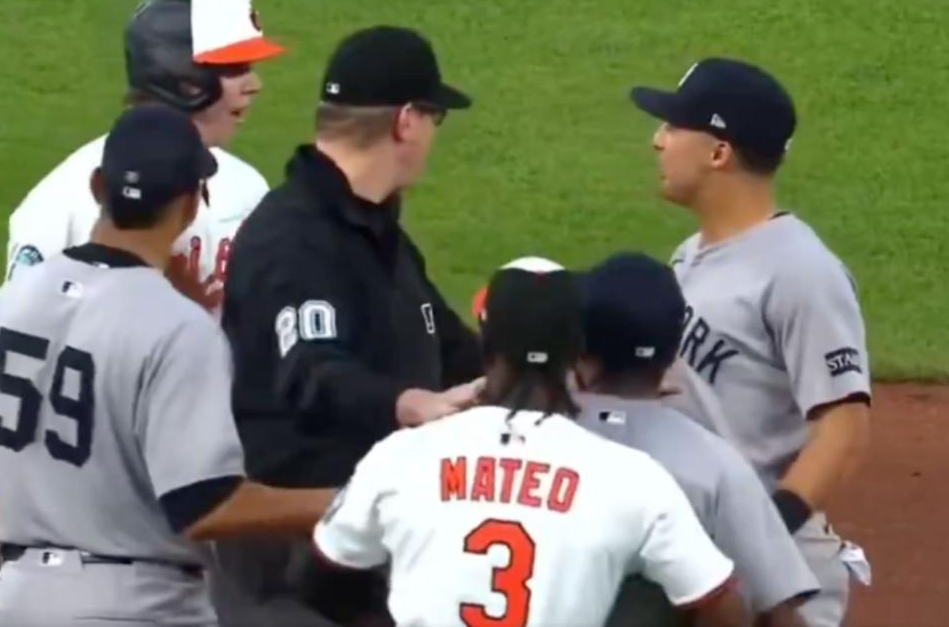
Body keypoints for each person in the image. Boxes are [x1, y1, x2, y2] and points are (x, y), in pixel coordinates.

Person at [0, 105, 334, 627]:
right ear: (192, 204)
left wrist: (66, 491)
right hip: (138, 607)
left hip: (17, 603)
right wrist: (336, 500)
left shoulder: (8, 305)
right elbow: (206, 506)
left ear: (98, 187)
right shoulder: (178, 327)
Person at [311, 256, 750, 627]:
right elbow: (724, 605)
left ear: (487, 342)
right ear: (577, 350)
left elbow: (325, 577)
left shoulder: (403, 456)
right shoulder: (631, 477)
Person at [214, 25, 485, 625]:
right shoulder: (292, 239)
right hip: (292, 560)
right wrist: (408, 404)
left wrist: (558, 357)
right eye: (435, 119)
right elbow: (311, 370)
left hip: (364, 551)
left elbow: (456, 348)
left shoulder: (378, 233)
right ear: (407, 121)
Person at [628, 57, 872, 627]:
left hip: (772, 570)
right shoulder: (689, 255)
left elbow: (845, 429)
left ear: (718, 152)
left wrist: (762, 530)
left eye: (672, 127)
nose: (656, 141)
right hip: (699, 551)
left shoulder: (801, 271)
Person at [573, 251, 818, 627]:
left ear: (581, 345)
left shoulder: (531, 438)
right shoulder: (713, 464)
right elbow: (777, 612)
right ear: (674, 352)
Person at [6, 0, 280, 313]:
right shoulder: (60, 207)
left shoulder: (246, 188)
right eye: (236, 70)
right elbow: (19, 344)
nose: (254, 86)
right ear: (185, 78)